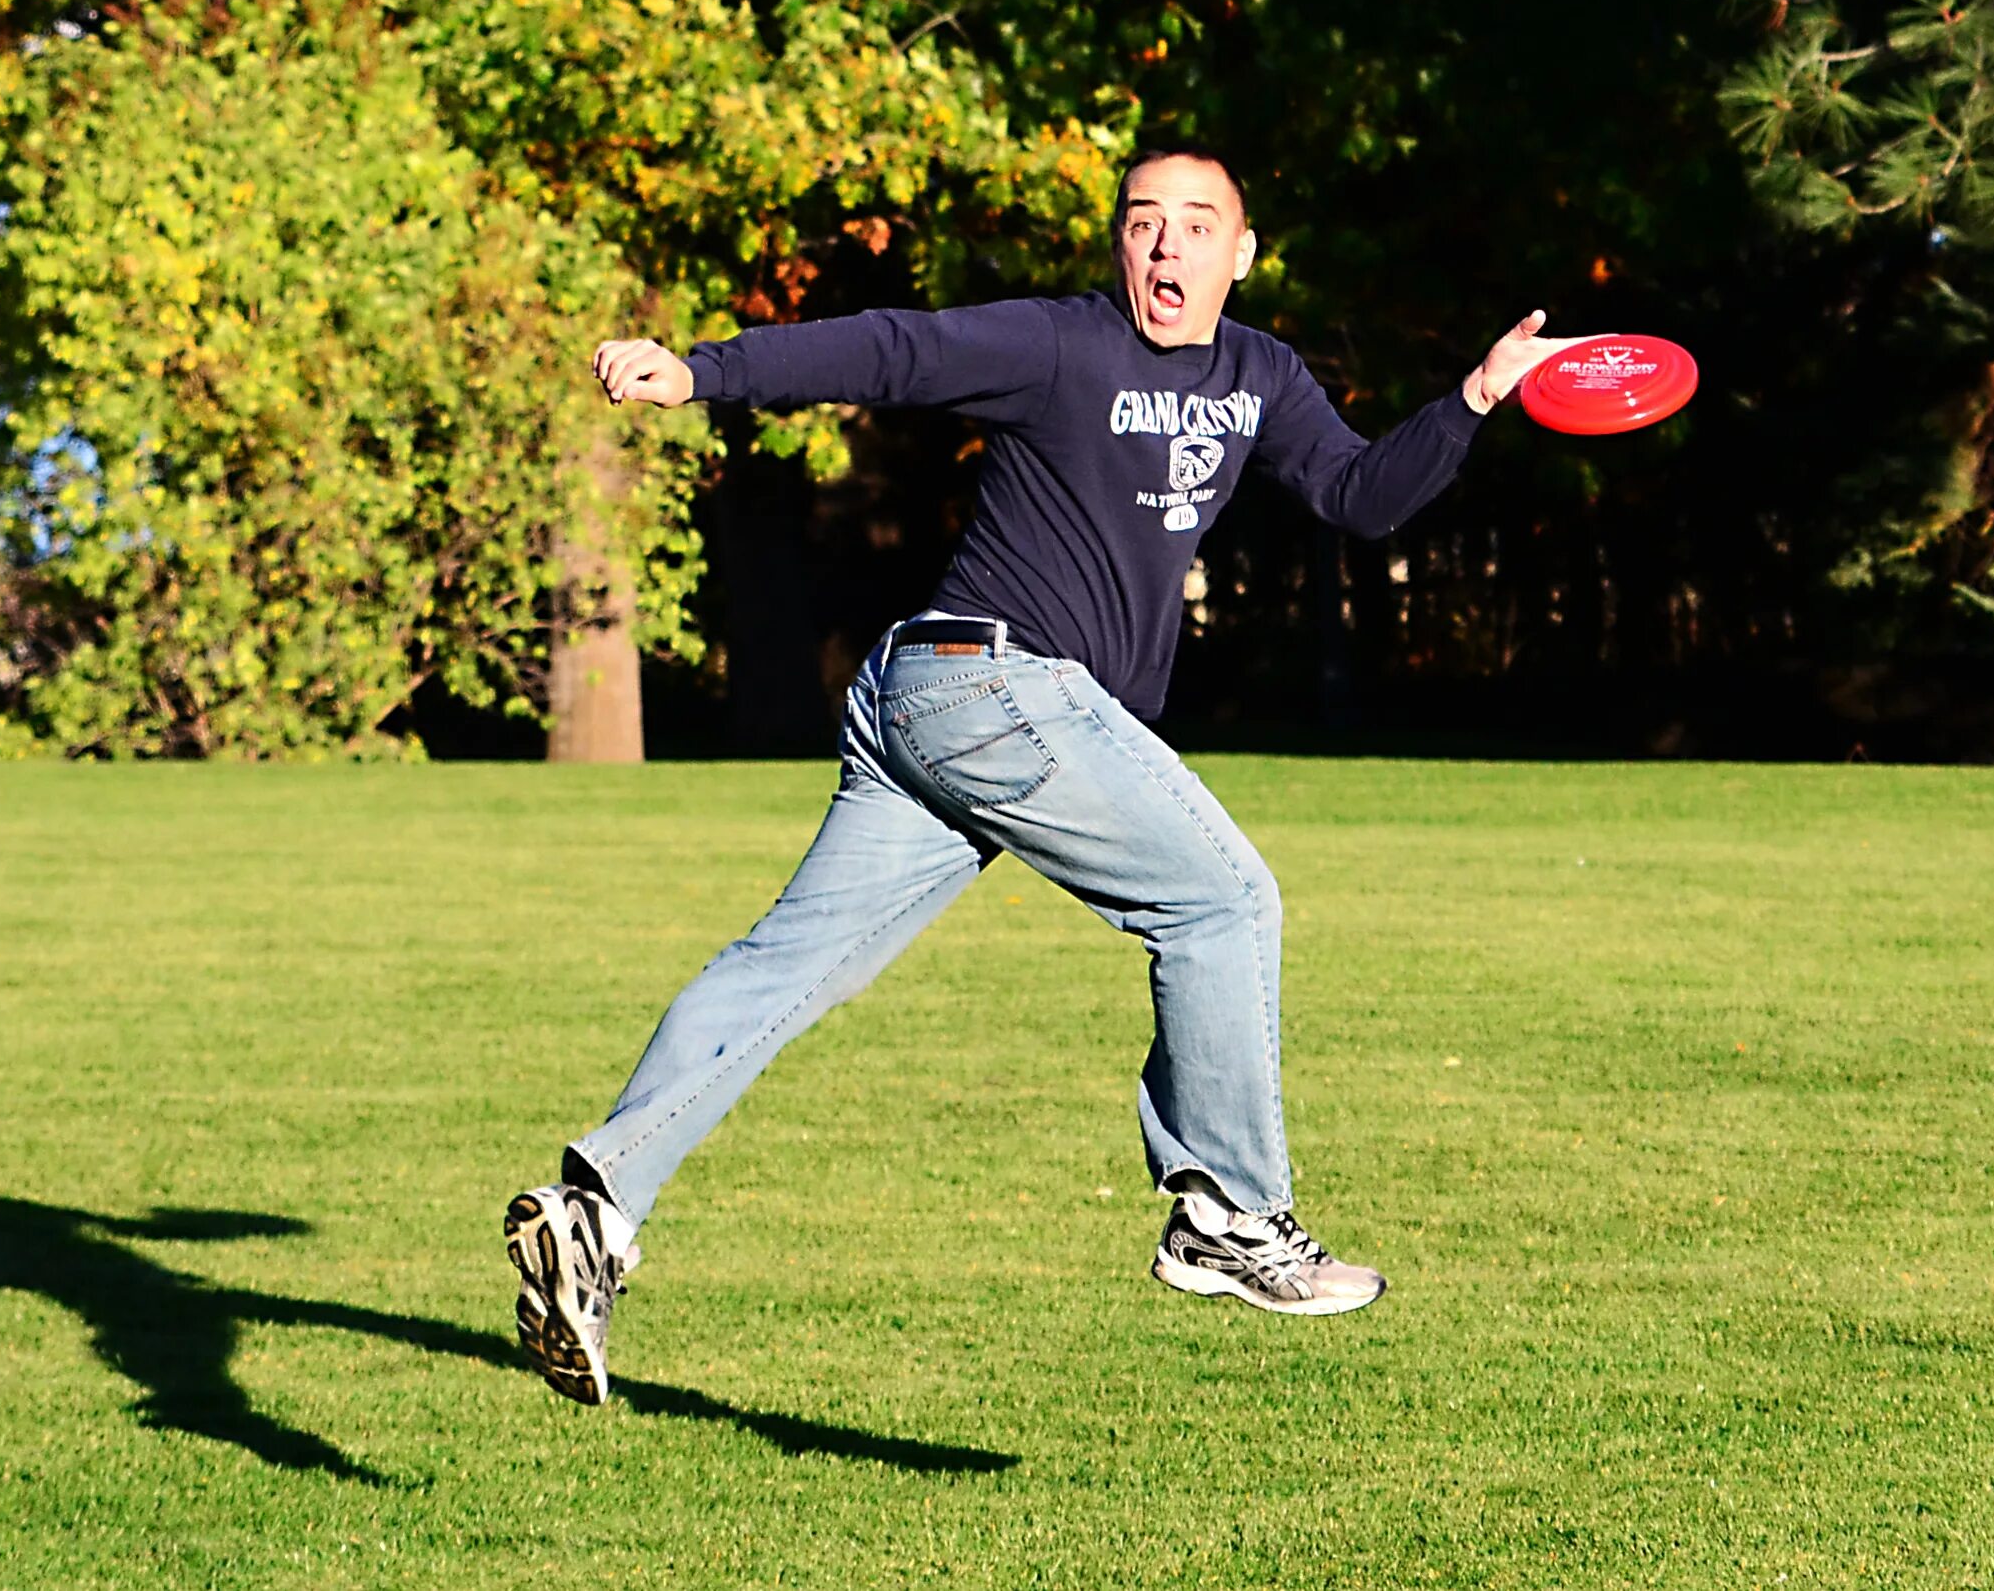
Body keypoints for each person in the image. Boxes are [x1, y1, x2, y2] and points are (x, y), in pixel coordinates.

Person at [506, 147, 1589, 1405]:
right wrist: (704, 371)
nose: (1166, 247)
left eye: (1196, 227)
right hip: (986, 682)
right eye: (1143, 225)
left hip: (940, 706)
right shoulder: (1060, 345)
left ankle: (595, 1202)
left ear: (1241, 253)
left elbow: (1357, 496)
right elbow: (892, 350)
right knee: (1221, 901)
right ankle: (1228, 1213)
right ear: (1117, 247)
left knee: (790, 966)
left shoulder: (1258, 375)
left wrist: (1474, 393)